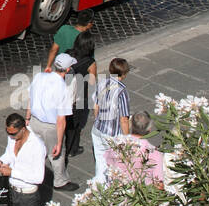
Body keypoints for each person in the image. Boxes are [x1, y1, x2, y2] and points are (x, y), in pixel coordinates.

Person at [27, 54, 77, 191]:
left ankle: (32, 177)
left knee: (36, 151)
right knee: (56, 155)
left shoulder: (39, 77)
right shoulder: (63, 89)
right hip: (50, 127)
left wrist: (27, 119)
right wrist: (60, 142)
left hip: (34, 122)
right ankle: (60, 181)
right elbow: (61, 120)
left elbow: (30, 98)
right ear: (67, 70)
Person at [89, 57, 132, 185]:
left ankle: (99, 186)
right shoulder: (121, 91)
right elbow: (124, 119)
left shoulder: (102, 83)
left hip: (98, 129)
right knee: (116, 164)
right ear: (124, 74)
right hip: (112, 133)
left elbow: (95, 106)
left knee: (100, 160)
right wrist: (126, 139)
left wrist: (97, 120)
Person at [106, 111, 168, 187]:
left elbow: (108, 164)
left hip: (118, 192)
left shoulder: (117, 145)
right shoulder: (154, 153)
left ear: (130, 124)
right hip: (142, 195)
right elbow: (158, 184)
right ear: (149, 129)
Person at [63, 30, 97, 159]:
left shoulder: (67, 53)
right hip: (79, 97)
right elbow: (92, 82)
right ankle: (72, 149)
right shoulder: (90, 62)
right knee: (75, 125)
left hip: (64, 93)